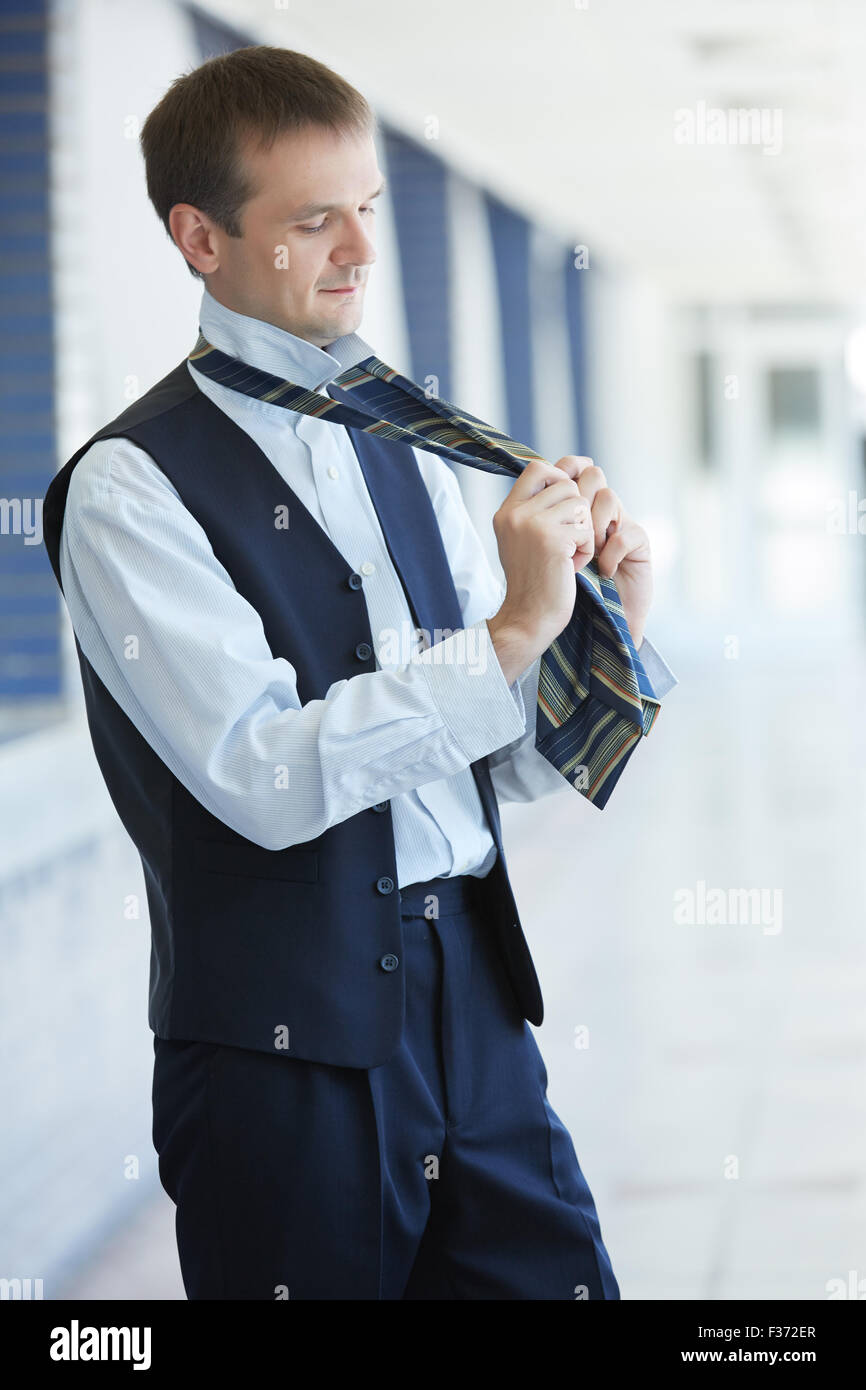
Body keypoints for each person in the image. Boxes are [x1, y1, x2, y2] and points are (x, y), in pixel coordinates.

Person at [41, 45, 677, 1300]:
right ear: (200, 237)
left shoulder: (410, 447)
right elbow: (264, 776)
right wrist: (505, 637)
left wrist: (589, 631)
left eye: (369, 211)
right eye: (311, 219)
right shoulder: (129, 485)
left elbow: (489, 766)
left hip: (477, 1008)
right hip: (286, 1058)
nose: (359, 252)